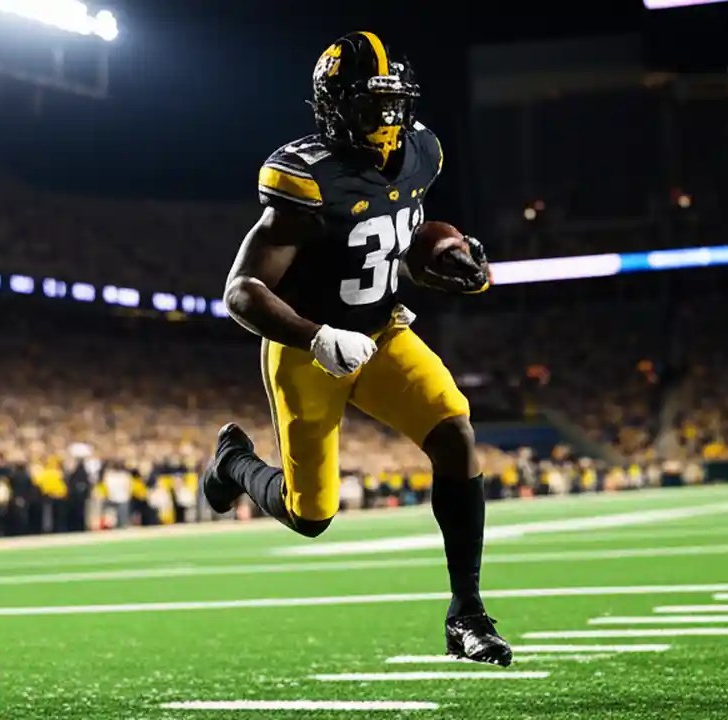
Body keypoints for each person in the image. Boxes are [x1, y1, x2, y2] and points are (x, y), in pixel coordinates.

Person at [202, 31, 511, 666]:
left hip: (383, 331)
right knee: (310, 514)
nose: (388, 119)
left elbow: (407, 228)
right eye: (371, 105)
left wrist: (447, 253)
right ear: (334, 107)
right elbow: (241, 291)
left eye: (393, 103)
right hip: (306, 346)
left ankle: (468, 614)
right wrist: (314, 335)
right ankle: (234, 463)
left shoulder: (422, 151)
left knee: (455, 431)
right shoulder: (304, 178)